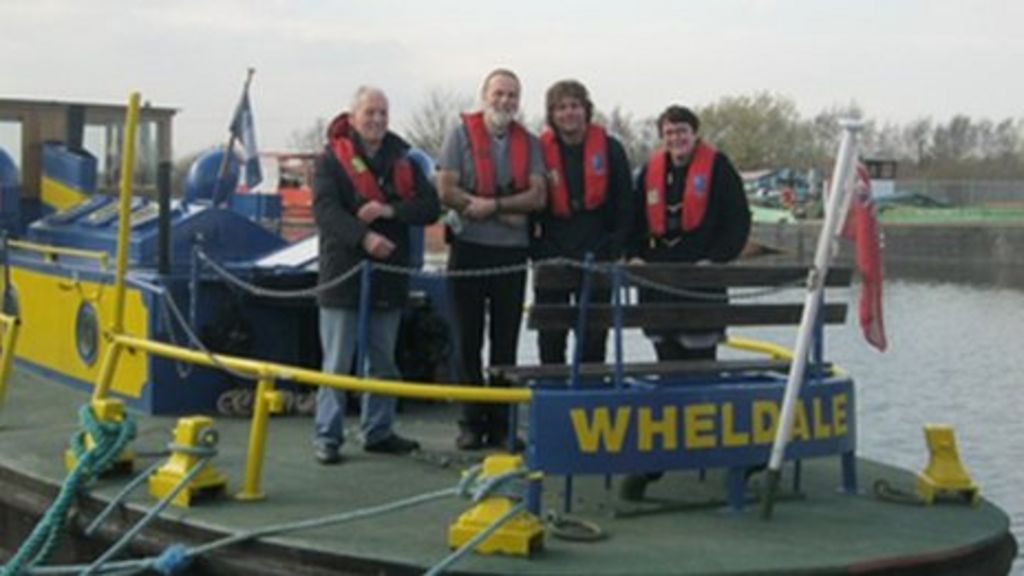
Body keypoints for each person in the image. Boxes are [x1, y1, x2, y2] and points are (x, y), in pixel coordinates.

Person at [621, 104, 750, 498]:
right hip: (659, 281)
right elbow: (633, 220)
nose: (676, 139)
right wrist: (635, 254)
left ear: (695, 134)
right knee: (668, 363)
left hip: (701, 282)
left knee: (700, 364)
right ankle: (673, 446)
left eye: (682, 132)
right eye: (669, 133)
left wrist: (715, 261)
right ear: (662, 137)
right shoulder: (649, 173)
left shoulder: (719, 169)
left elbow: (738, 221)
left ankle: (708, 447)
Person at [312, 86, 440, 464]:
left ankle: (379, 430)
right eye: (370, 113)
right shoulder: (330, 162)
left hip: (388, 275)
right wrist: (363, 237)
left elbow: (428, 207)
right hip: (344, 275)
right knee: (336, 362)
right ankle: (327, 435)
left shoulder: (403, 160)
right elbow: (326, 211)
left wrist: (388, 213)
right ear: (353, 117)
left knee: (383, 360)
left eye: (383, 113)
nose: (377, 120)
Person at [437, 68, 546, 450]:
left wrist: (492, 205)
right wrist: (486, 208)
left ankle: (502, 424)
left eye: (512, 95)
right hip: (468, 249)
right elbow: (446, 188)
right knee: (467, 339)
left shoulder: (530, 143)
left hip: (511, 255)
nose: (505, 101)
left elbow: (537, 198)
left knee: (505, 342)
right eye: (499, 93)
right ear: (484, 95)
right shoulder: (459, 136)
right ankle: (471, 421)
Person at [533, 79, 633, 365]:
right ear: (552, 114)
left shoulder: (611, 149)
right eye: (561, 107)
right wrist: (538, 248)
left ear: (586, 109)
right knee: (551, 333)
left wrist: (615, 247)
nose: (569, 113)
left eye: (575, 106)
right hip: (553, 253)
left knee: (593, 335)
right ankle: (553, 391)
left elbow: (626, 204)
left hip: (598, 251)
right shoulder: (540, 152)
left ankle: (591, 393)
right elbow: (532, 207)